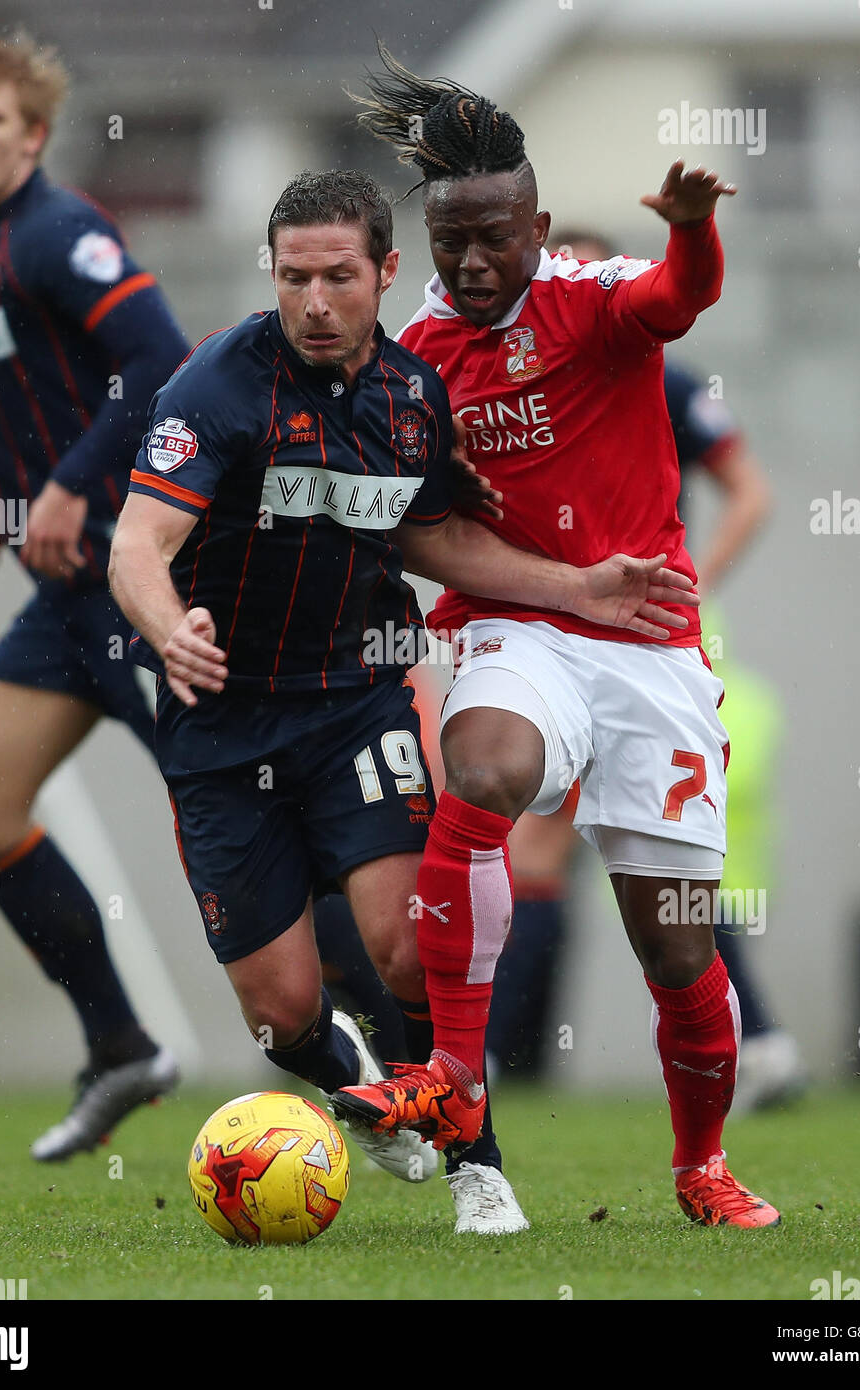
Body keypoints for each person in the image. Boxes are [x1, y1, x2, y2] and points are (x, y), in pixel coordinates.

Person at [107, 168, 699, 1233]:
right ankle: (358, 1086)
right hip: (221, 722)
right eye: (296, 278)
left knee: (405, 945)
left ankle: (480, 1166)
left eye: (340, 275)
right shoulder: (213, 389)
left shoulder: (413, 394)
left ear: (386, 273)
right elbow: (136, 545)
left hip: (356, 701)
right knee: (282, 1008)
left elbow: (431, 536)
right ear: (273, 276)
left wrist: (577, 584)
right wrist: (166, 626)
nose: (318, 301)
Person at [333, 51, 781, 1227]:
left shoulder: (592, 295)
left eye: (495, 238)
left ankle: (702, 1164)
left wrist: (690, 232)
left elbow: (680, 300)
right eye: (450, 243)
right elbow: (413, 531)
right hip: (516, 630)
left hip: (649, 643)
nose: (473, 264)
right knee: (480, 775)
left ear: (537, 224)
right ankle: (455, 1079)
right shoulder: (411, 362)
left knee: (677, 950)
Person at [0, 37, 189, 1160]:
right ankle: (122, 1045)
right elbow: (56, 400)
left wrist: (78, 488)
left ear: (32, 136)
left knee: (250, 831)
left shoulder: (54, 231)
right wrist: (11, 503)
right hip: (60, 604)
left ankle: (390, 1062)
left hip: (137, 590)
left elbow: (159, 360)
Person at [484, 228, 804, 1106]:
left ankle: (486, 1059)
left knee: (619, 853)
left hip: (647, 641)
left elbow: (751, 489)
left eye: (589, 271)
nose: (569, 290)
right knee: (585, 851)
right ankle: (760, 1044)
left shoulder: (654, 368)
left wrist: (695, 587)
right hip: (553, 631)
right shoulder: (501, 373)